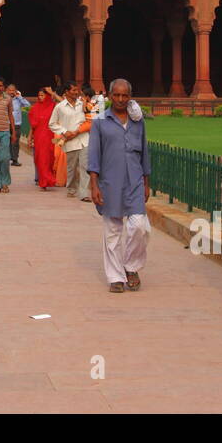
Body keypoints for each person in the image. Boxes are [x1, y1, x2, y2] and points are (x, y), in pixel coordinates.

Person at [88, 79, 151, 293]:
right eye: (117, 95)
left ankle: (131, 266)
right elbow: (94, 155)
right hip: (110, 182)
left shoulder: (137, 122)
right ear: (109, 95)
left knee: (139, 226)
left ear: (130, 96)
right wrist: (94, 185)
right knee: (113, 231)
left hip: (134, 180)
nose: (121, 99)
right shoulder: (100, 122)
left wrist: (146, 181)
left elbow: (144, 152)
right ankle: (115, 276)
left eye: (125, 96)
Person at [50, 81, 92, 200]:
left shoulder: (83, 104)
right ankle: (71, 189)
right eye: (73, 90)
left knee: (85, 166)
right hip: (70, 141)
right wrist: (64, 131)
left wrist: (87, 108)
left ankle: (84, 193)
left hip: (84, 139)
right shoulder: (60, 107)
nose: (76, 92)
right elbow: (52, 124)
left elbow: (91, 118)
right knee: (72, 168)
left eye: (76, 90)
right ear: (66, 92)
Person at [29, 87, 58, 188]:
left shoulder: (54, 106)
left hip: (51, 136)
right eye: (39, 95)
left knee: (50, 159)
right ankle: (44, 181)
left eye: (42, 95)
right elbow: (32, 126)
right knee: (40, 159)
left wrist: (52, 93)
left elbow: (64, 103)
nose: (40, 97)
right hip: (39, 137)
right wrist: (29, 137)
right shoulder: (35, 107)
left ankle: (48, 179)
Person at [7, 84, 30, 166]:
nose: (11, 92)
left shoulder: (18, 100)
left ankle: (15, 159)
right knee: (6, 142)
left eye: (13, 90)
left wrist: (20, 97)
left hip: (16, 124)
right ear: (7, 91)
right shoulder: (4, 99)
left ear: (16, 91)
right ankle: (7, 158)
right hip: (6, 124)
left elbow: (28, 105)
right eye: (9, 90)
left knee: (15, 142)